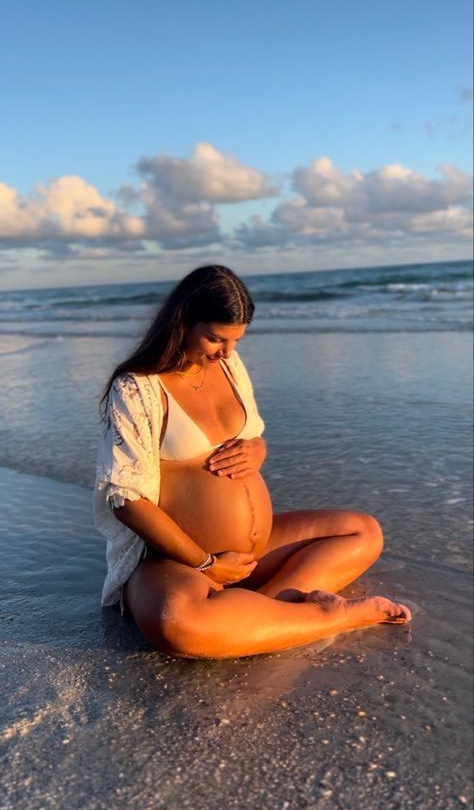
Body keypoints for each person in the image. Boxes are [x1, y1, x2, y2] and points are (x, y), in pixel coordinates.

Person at [94, 264, 411, 658]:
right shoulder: (136, 387)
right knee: (178, 624)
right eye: (215, 339)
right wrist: (206, 562)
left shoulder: (228, 365)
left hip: (249, 559)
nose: (226, 352)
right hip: (176, 562)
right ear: (183, 322)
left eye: (236, 341)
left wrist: (258, 449)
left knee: (363, 532)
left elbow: (252, 436)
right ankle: (330, 617)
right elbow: (125, 499)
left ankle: (259, 610)